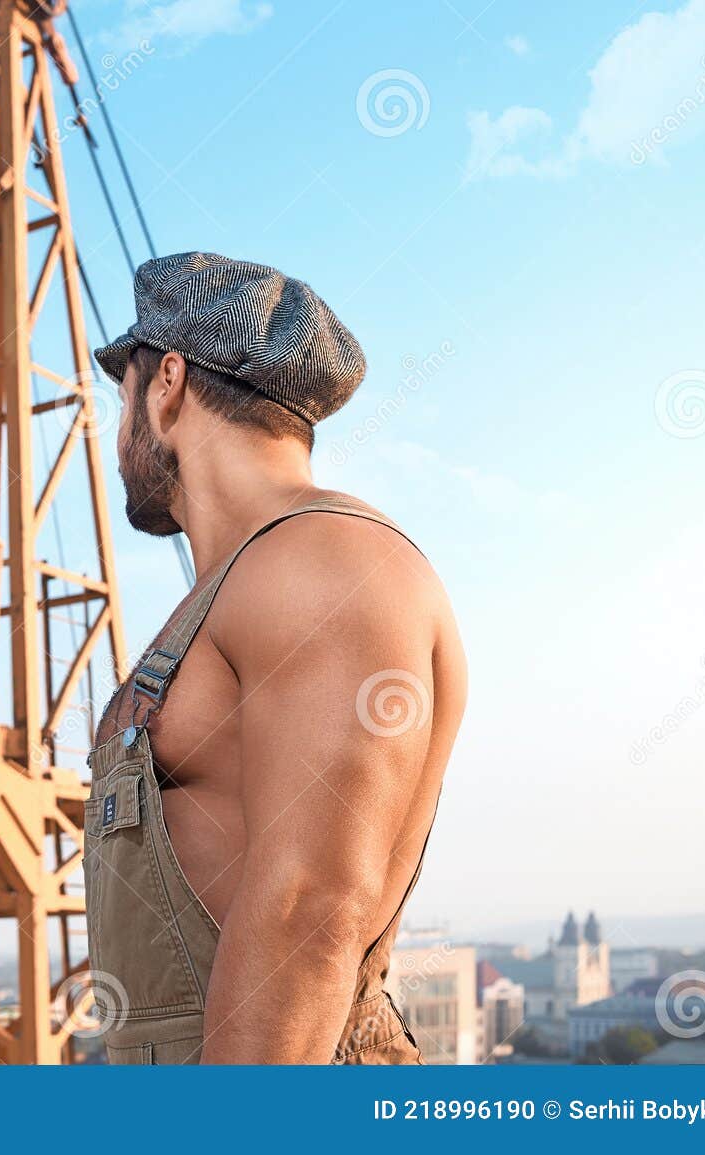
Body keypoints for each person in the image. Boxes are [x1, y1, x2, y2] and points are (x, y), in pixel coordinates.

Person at [83, 252, 466, 1064]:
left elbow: (308, 916)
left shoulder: (324, 562)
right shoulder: (240, 584)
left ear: (168, 384)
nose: (119, 438)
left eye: (122, 401)